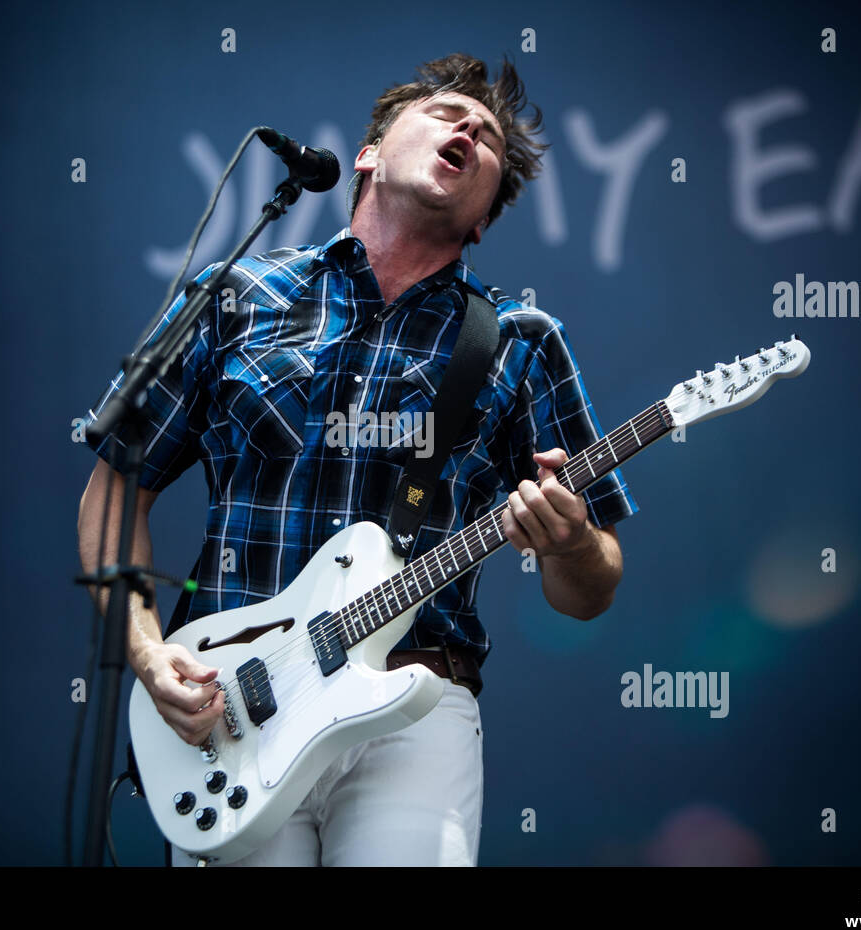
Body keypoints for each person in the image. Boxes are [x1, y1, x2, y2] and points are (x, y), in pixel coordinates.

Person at [77, 53, 636, 866]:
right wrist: (148, 652)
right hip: (233, 714)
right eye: (448, 114)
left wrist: (573, 543)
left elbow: (592, 589)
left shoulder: (520, 338)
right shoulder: (235, 297)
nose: (471, 130)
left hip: (415, 708)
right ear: (369, 153)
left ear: (482, 222)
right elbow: (115, 491)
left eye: (487, 141)